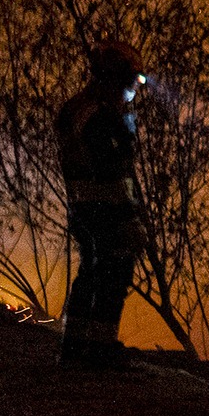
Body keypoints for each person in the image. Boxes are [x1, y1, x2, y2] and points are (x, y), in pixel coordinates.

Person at [56, 41, 145, 369]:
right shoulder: (101, 116)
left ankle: (74, 347)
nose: (135, 86)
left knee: (90, 273)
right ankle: (100, 349)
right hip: (105, 208)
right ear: (116, 77)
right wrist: (130, 217)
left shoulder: (77, 108)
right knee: (113, 274)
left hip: (81, 206)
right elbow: (112, 170)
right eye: (132, 79)